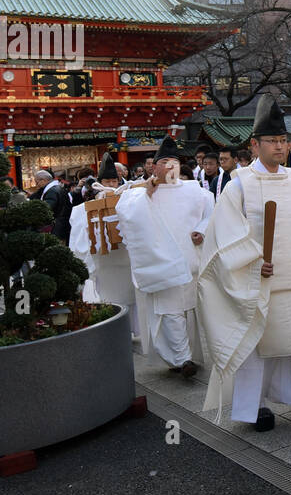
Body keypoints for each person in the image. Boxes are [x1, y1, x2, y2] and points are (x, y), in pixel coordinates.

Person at [198, 95, 291, 436]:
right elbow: (223, 238)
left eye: (284, 141)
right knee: (256, 352)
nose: (280, 147)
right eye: (273, 141)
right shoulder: (239, 185)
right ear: (254, 144)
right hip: (256, 284)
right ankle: (255, 408)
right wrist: (251, 263)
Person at [114, 135, 214, 377]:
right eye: (164, 162)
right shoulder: (140, 192)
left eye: (174, 162)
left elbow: (211, 214)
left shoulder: (196, 191)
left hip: (189, 259)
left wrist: (201, 230)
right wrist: (147, 192)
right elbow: (125, 213)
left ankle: (181, 356)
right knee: (170, 311)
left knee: (186, 311)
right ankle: (183, 358)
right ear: (154, 166)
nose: (170, 167)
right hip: (161, 261)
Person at [69, 153, 137, 324]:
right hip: (104, 259)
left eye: (114, 181)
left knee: (130, 295)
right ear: (99, 184)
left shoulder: (128, 201)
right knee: (110, 296)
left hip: (125, 258)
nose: (111, 185)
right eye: (107, 182)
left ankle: (132, 328)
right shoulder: (87, 208)